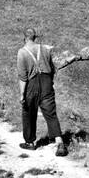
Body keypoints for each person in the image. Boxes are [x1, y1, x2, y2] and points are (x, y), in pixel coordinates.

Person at [17, 27, 67, 155]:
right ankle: (59, 142)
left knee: (29, 112)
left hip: (31, 85)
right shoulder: (45, 49)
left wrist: (22, 94)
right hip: (46, 83)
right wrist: (49, 83)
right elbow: (52, 68)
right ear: (35, 37)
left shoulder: (22, 53)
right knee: (50, 113)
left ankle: (30, 142)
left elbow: (23, 77)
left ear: (24, 38)